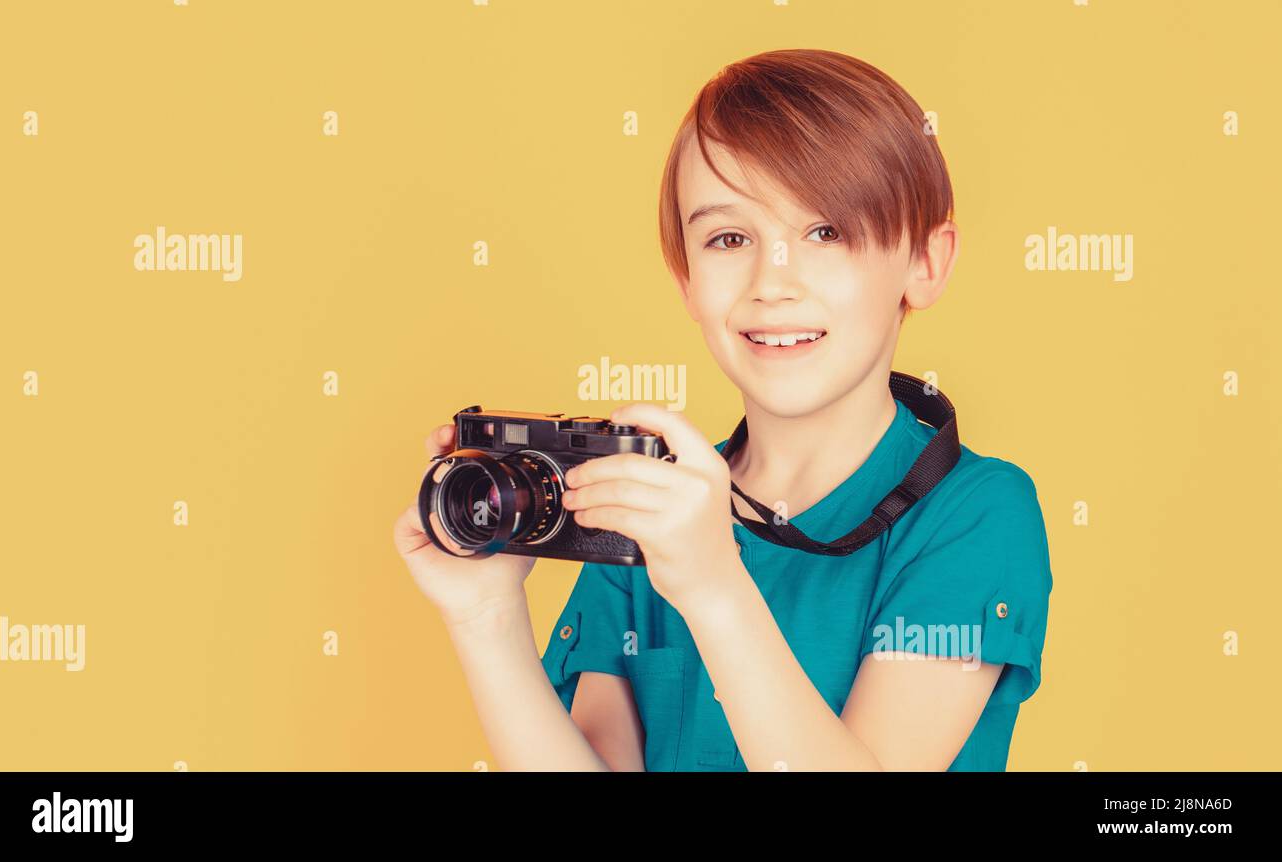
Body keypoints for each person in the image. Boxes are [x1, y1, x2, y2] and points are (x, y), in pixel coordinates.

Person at [394, 48, 1052, 771]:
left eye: (826, 231)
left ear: (925, 263)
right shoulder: (649, 510)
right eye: (728, 238)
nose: (773, 282)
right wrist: (485, 618)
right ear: (685, 278)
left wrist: (713, 586)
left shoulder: (978, 513)